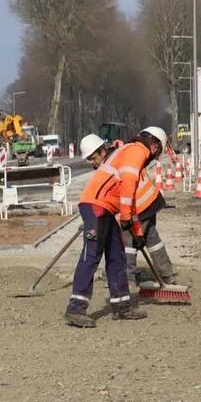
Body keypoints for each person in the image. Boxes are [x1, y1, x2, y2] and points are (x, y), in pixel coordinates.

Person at [64, 134, 149, 328]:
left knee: (117, 256)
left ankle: (122, 306)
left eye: (93, 158)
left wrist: (138, 234)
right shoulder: (118, 164)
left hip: (105, 211)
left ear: (103, 151)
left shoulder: (120, 164)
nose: (93, 163)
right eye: (90, 159)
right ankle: (75, 309)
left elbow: (130, 202)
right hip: (95, 209)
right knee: (91, 256)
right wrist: (128, 222)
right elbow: (126, 202)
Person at [100, 130, 178, 284]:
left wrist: (125, 216)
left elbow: (127, 183)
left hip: (138, 205)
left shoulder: (132, 150)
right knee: (152, 239)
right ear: (154, 145)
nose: (154, 156)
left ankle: (127, 276)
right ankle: (167, 273)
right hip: (148, 202)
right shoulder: (136, 151)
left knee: (127, 241)